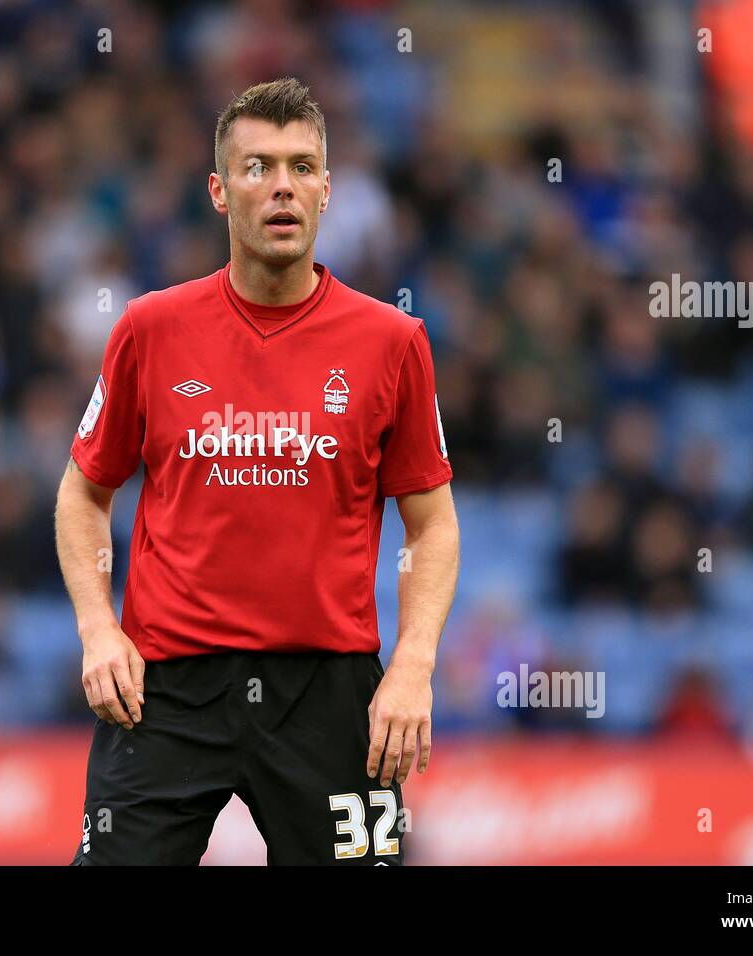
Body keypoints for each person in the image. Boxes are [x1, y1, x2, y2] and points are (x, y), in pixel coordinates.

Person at [55, 77, 459, 865]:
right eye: (258, 167)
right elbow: (83, 492)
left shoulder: (393, 341)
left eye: (303, 167)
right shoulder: (149, 329)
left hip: (331, 693)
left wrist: (412, 667)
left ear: (327, 190)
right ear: (218, 189)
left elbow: (433, 523)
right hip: (166, 691)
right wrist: (98, 628)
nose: (282, 186)